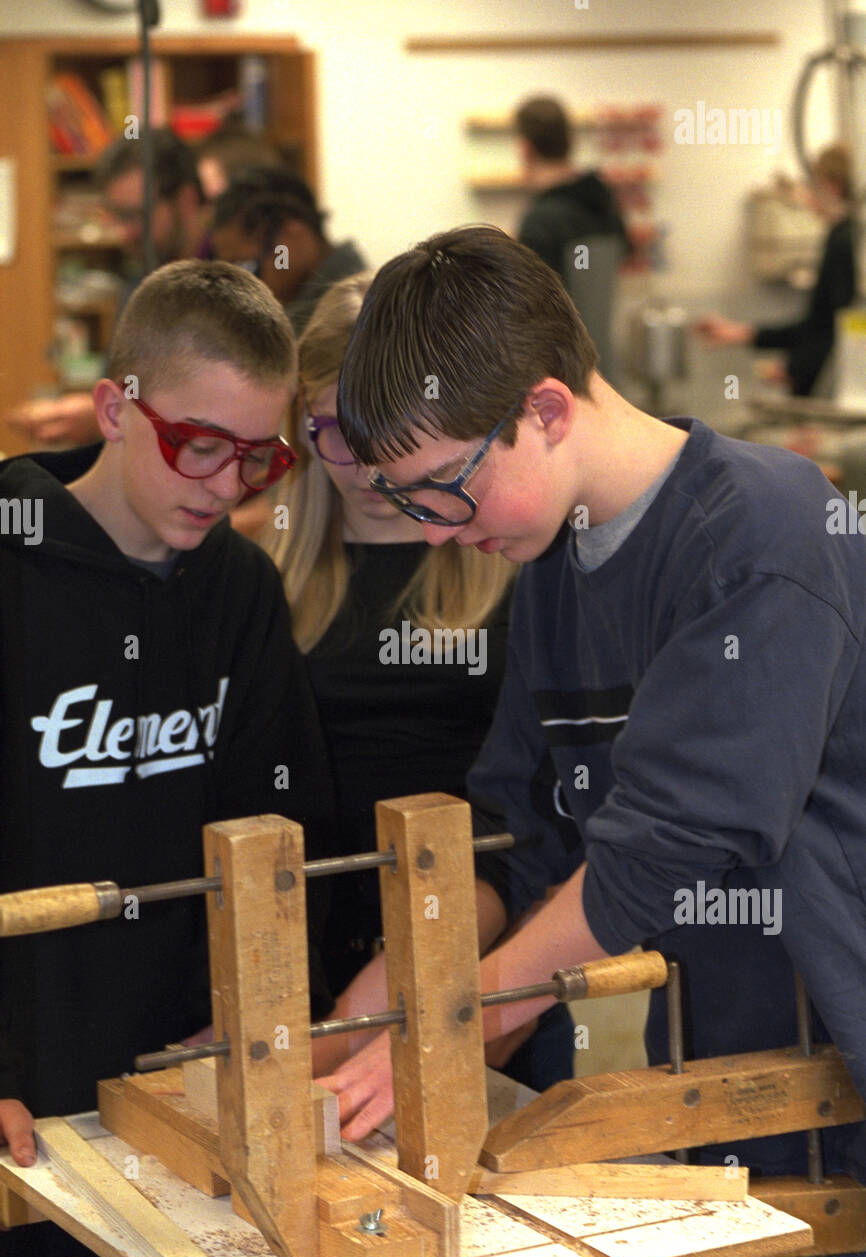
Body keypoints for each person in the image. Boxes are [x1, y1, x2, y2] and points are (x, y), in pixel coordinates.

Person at [318, 225, 866, 1257]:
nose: (433, 534)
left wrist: (458, 1023)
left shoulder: (767, 528)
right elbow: (515, 841)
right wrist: (360, 1024)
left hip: (837, 1089)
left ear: (547, 408)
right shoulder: (558, 564)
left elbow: (666, 845)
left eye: (443, 486)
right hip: (717, 1091)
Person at [0, 259, 334, 1257]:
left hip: (178, 1105)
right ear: (113, 407)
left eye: (257, 459)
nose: (225, 485)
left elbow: (281, 827)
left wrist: (260, 1019)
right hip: (21, 1099)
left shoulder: (238, 589)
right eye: (197, 446)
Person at [261, 272, 575, 1089]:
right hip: (313, 951)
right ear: (300, 422)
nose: (368, 469)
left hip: (492, 943)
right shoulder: (266, 571)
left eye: (390, 436)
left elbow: (553, 806)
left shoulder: (511, 558)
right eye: (335, 432)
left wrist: (512, 993)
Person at [5, 132, 207, 451]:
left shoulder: (232, 286)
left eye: (136, 215)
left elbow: (211, 413)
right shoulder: (139, 284)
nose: (125, 231)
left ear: (185, 200)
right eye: (117, 215)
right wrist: (97, 410)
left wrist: (105, 416)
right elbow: (122, 386)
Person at [697, 143, 856, 397]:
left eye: (812, 184)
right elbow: (823, 323)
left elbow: (841, 329)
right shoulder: (845, 236)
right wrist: (741, 333)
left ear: (831, 185)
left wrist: (798, 369)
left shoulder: (845, 241)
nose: (806, 197)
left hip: (838, 388)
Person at [515, 95, 630, 380]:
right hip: (608, 375)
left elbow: (532, 318)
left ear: (525, 149)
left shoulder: (541, 222)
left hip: (564, 383)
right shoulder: (604, 204)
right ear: (570, 142)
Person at [210, 171, 366, 337]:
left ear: (292, 229)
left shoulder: (348, 310)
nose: (248, 285)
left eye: (250, 266)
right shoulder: (309, 306)